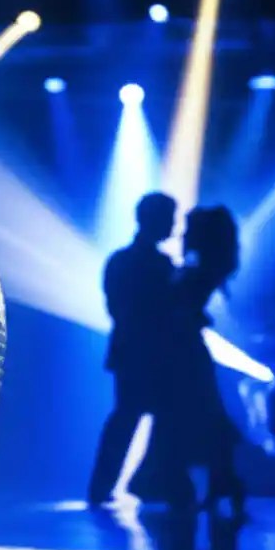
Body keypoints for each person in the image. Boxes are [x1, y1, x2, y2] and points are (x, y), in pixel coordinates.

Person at [86, 193, 180, 506]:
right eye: (169, 217)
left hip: (132, 350)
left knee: (129, 417)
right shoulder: (159, 265)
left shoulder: (122, 261)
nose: (173, 225)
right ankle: (141, 483)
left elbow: (116, 307)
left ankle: (108, 486)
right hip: (148, 352)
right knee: (139, 416)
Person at [163, 205, 246, 516]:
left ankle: (222, 483)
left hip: (185, 352)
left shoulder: (198, 272)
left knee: (201, 416)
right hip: (187, 351)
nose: (182, 235)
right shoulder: (205, 270)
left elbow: (182, 308)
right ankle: (223, 483)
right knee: (206, 416)